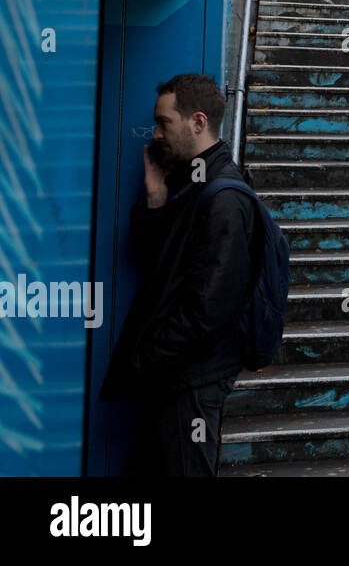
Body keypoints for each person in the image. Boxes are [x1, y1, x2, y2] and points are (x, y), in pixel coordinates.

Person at [99, 74, 257, 476]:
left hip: (191, 382)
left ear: (198, 122)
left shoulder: (224, 197)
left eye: (164, 123)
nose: (156, 135)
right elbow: (160, 264)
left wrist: (148, 359)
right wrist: (155, 198)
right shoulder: (193, 181)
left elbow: (209, 308)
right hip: (174, 377)